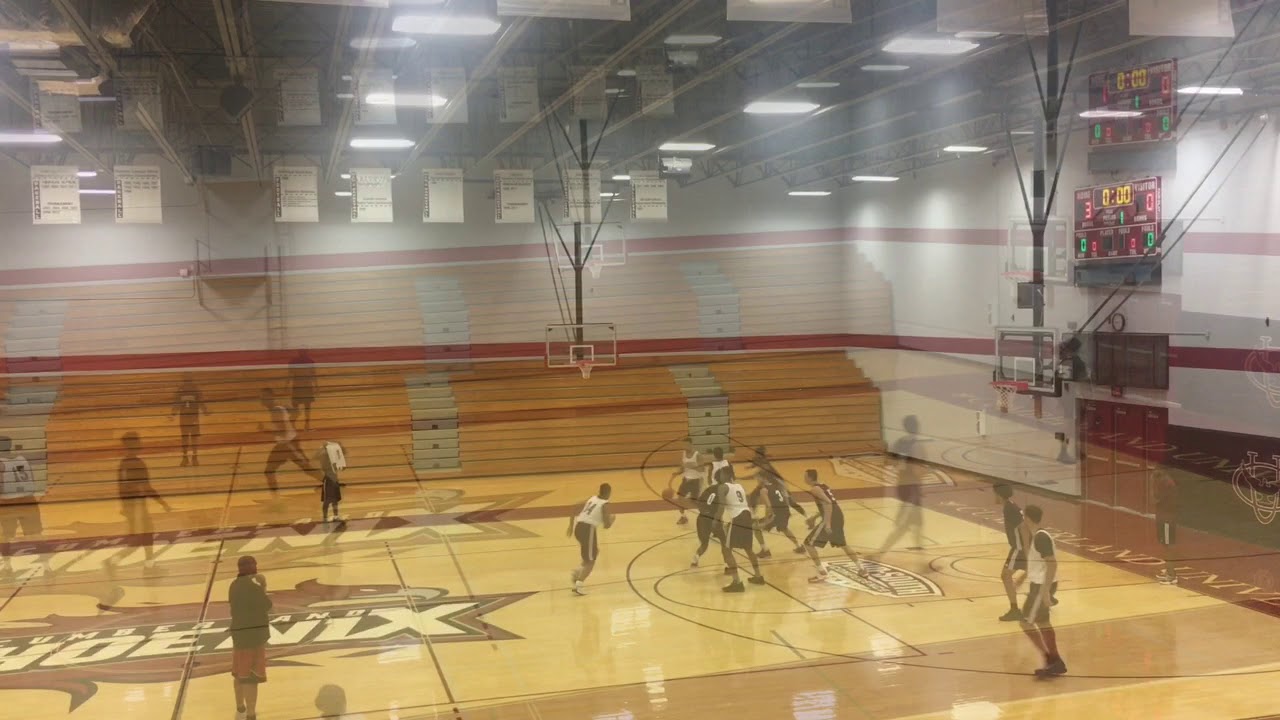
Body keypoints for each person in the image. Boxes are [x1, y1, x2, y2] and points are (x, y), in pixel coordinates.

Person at [1020, 505, 1066, 677]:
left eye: (1023, 517)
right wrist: (1024, 576)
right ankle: (1053, 660)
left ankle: (1051, 658)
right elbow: (1038, 563)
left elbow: (1052, 563)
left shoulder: (1041, 537)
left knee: (1027, 622)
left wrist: (1046, 591)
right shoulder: (1038, 536)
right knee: (1041, 621)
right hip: (1039, 584)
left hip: (1041, 586)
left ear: (1028, 518)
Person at [115, 432, 173, 570]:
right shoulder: (137, 463)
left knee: (145, 534)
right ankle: (112, 562)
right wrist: (162, 503)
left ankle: (149, 563)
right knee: (142, 536)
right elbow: (147, 487)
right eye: (138, 441)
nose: (140, 443)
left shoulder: (123, 463)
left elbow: (121, 487)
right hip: (137, 505)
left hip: (131, 505)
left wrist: (124, 506)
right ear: (133, 444)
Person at [802, 469, 867, 582]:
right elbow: (827, 504)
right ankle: (862, 569)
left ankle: (822, 573)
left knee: (808, 544)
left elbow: (828, 503)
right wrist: (815, 517)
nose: (804, 478)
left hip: (831, 518)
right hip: (838, 515)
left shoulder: (815, 489)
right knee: (843, 544)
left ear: (809, 478)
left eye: (805, 476)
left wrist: (827, 523)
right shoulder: (823, 485)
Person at [0, 437, 50, 578]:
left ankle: (8, 567)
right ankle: (47, 568)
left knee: (5, 536)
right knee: (36, 535)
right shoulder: (22, 459)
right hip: (28, 500)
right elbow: (32, 480)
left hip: (8, 502)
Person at [229, 555, 272, 719]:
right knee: (250, 678)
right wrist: (263, 585)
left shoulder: (233, 585)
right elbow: (267, 605)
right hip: (254, 636)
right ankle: (251, 713)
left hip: (238, 635)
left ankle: (240, 706)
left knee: (239, 672)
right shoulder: (255, 588)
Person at [259, 389, 321, 496]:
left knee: (307, 468)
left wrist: (266, 431)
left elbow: (282, 432)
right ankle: (275, 498)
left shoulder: (276, 411)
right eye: (261, 397)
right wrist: (290, 423)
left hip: (289, 444)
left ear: (270, 398)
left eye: (263, 397)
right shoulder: (278, 407)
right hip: (284, 444)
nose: (261, 400)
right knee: (269, 471)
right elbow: (297, 412)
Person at [877, 416, 925, 554]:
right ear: (917, 426)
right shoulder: (917, 445)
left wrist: (896, 461)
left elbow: (889, 462)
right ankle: (881, 552)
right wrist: (923, 473)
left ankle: (919, 548)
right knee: (904, 523)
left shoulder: (898, 443)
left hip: (901, 485)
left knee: (917, 520)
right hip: (912, 486)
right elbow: (918, 470)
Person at [715, 466, 765, 592]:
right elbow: (745, 501)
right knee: (748, 549)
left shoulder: (723, 487)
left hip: (737, 518)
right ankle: (758, 576)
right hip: (747, 515)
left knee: (727, 550)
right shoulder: (739, 486)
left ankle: (737, 582)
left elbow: (721, 506)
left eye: (721, 474)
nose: (719, 476)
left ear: (725, 475)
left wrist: (716, 520)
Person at [569, 483, 614, 596]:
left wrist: (570, 525)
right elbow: (607, 525)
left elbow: (575, 506)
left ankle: (577, 572)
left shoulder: (592, 498)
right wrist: (612, 519)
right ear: (608, 493)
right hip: (588, 530)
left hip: (579, 527)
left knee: (594, 552)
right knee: (591, 561)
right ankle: (579, 584)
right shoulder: (604, 504)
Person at [994, 483, 1029, 621]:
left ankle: (1015, 610)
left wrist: (1026, 549)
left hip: (1019, 548)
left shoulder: (1009, 508)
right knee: (1029, 572)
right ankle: (1046, 596)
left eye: (994, 494)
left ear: (999, 495)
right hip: (1019, 547)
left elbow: (1023, 527)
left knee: (1005, 575)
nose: (993, 497)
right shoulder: (1010, 506)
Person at [756, 471, 807, 556]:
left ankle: (765, 550)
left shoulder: (764, 490)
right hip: (784, 511)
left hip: (777, 514)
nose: (757, 480)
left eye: (758, 478)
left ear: (763, 478)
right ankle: (799, 546)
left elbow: (768, 506)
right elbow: (785, 498)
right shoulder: (776, 486)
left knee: (755, 527)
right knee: (784, 529)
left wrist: (766, 519)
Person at [690, 472, 728, 569]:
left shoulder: (709, 489)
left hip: (702, 518)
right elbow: (721, 507)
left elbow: (698, 503)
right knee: (724, 541)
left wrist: (705, 511)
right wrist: (717, 519)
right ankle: (727, 564)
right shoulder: (723, 489)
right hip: (713, 518)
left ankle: (695, 559)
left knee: (704, 544)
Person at [170, 374, 209, 466]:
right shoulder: (183, 389)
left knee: (189, 438)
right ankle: (189, 458)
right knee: (189, 438)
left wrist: (205, 410)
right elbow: (177, 403)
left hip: (190, 417)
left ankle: (189, 458)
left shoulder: (192, 389)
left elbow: (200, 401)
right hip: (188, 417)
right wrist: (205, 411)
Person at [669, 438, 706, 525]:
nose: (685, 446)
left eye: (687, 445)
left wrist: (692, 466)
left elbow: (702, 469)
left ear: (691, 445)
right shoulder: (684, 453)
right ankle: (683, 517)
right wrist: (677, 473)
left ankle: (705, 516)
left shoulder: (697, 455)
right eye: (684, 445)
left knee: (695, 502)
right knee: (680, 499)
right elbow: (683, 467)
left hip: (696, 481)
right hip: (686, 480)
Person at [1152, 469, 1178, 585]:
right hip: (1164, 518)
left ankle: (1171, 575)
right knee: (1166, 545)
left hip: (1167, 520)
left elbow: (1154, 499)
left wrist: (1152, 485)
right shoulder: (1166, 481)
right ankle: (1169, 571)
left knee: (1169, 546)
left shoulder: (1165, 483)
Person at [289, 349, 318, 431]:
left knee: (298, 407)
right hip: (305, 387)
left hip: (298, 387)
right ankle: (305, 425)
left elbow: (290, 374)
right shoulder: (310, 361)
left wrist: (286, 386)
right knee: (306, 407)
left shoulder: (294, 361)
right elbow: (313, 375)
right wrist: (316, 386)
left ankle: (296, 425)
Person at [320, 441, 347, 524]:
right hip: (328, 479)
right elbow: (325, 467)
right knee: (327, 500)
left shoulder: (333, 457)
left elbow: (341, 465)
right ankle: (325, 518)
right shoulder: (324, 456)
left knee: (335, 499)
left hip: (334, 479)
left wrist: (338, 449)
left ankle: (336, 516)